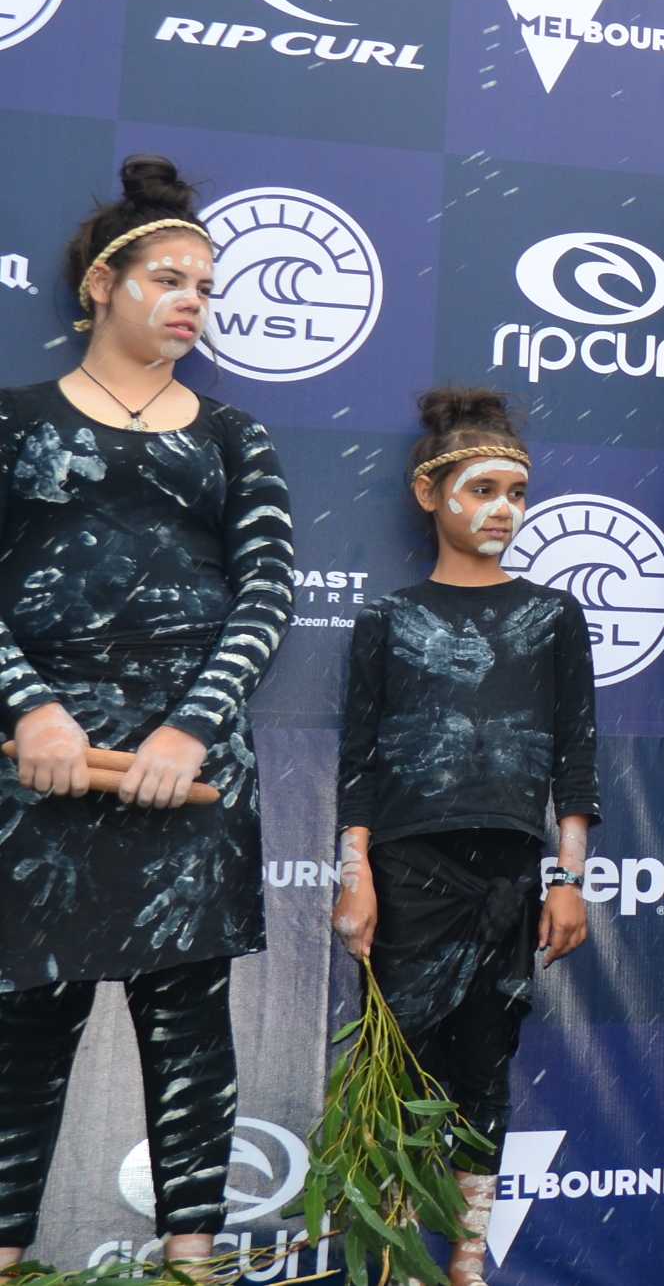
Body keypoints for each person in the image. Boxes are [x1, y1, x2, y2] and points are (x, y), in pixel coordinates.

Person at [0, 156, 294, 1274]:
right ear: (98, 286)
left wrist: (191, 730)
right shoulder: (14, 421)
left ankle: (193, 1261)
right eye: (167, 276)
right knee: (23, 1029)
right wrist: (33, 711)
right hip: (40, 769)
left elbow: (267, 593)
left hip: (191, 770)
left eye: (206, 287)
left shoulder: (233, 437)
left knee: (189, 1032)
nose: (190, 300)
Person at [333, 388, 597, 1286]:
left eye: (517, 493)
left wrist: (569, 878)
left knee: (487, 1066)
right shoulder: (386, 617)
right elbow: (357, 761)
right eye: (482, 489)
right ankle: (399, 1263)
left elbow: (577, 755)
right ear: (429, 493)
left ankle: (469, 1263)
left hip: (509, 874)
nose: (503, 511)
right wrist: (354, 870)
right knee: (400, 1067)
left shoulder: (556, 614)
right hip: (408, 867)